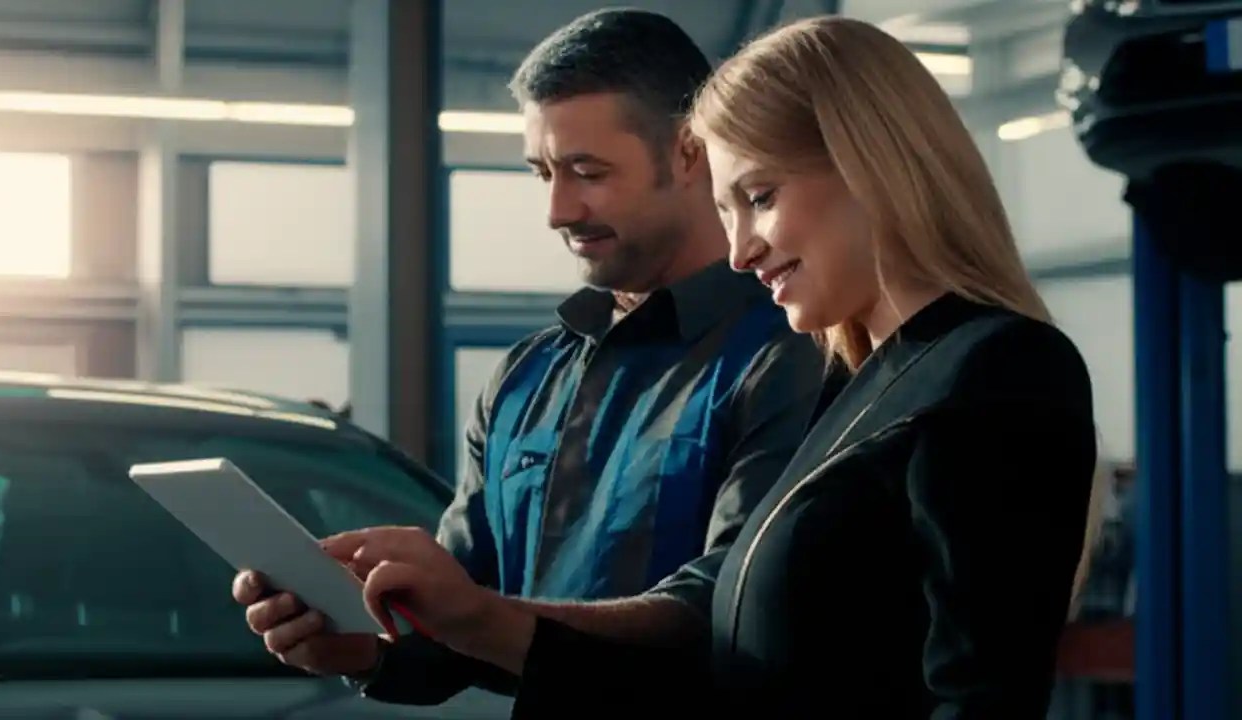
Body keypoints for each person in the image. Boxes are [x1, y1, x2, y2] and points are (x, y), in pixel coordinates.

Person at [333, 15, 1107, 718]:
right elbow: (736, 684)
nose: (741, 250)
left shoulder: (997, 369)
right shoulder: (861, 383)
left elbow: (982, 702)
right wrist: (408, 636)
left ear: (870, 162)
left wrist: (489, 620)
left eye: (760, 196)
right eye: (729, 207)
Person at [232, 8, 837, 707]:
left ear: (690, 152)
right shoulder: (526, 378)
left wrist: (477, 616)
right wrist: (363, 647)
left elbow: (730, 615)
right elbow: (456, 625)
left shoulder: (793, 355)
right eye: (542, 171)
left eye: (586, 171)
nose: (557, 209)